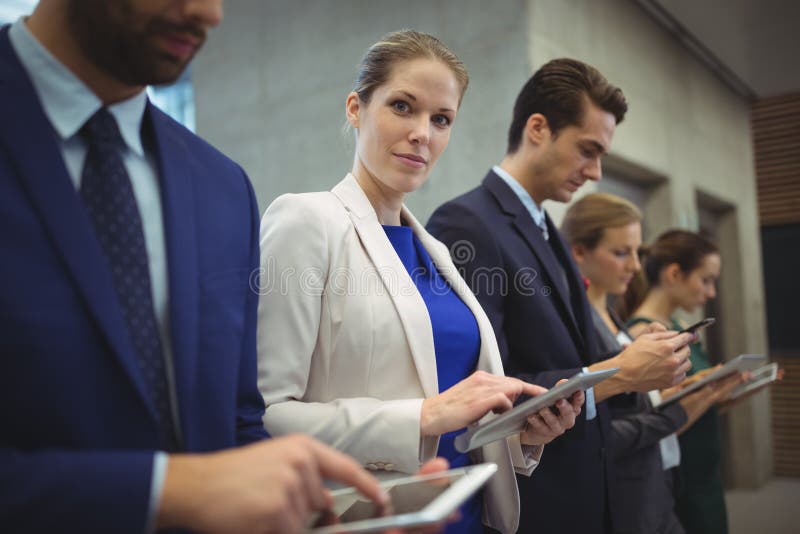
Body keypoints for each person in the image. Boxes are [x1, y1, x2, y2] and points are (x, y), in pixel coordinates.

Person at [0, 1, 409, 532]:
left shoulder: (222, 187)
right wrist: (164, 491)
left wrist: (317, 520)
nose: (209, 13)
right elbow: (201, 483)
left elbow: (237, 422)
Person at [256, 31, 583, 534]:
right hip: (371, 520)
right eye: (402, 107)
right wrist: (422, 417)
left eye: (441, 119)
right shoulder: (307, 220)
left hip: (465, 518)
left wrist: (522, 433)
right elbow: (267, 416)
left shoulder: (437, 252)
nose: (422, 134)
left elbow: (451, 414)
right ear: (356, 109)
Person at [426, 58, 695, 533]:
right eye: (587, 150)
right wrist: (620, 373)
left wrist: (635, 356)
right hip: (537, 500)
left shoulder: (545, 226)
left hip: (587, 490)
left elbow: (572, 355)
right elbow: (481, 388)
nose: (595, 172)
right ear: (538, 129)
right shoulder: (467, 224)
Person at [562, 193, 743, 534]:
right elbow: (599, 427)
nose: (635, 266)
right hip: (625, 496)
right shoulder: (575, 324)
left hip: (654, 482)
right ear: (580, 252)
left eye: (635, 252)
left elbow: (634, 403)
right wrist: (681, 410)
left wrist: (695, 390)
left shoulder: (610, 314)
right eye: (621, 252)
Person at [621, 230, 740, 534]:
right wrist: (707, 392)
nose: (711, 292)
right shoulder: (642, 335)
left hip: (704, 471)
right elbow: (654, 422)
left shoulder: (681, 326)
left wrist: (721, 394)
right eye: (706, 280)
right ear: (674, 274)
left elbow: (685, 400)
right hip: (679, 478)